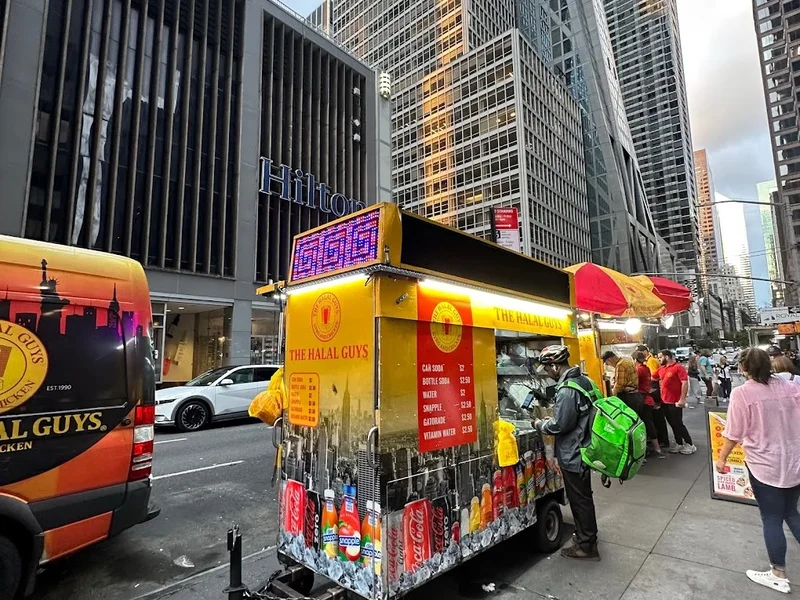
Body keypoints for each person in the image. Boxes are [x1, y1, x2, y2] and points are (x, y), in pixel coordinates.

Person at [715, 347, 800, 594]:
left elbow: (732, 434)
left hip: (765, 465)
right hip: (795, 461)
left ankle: (778, 573)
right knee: (790, 512)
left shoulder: (742, 394)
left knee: (771, 518)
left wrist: (721, 460)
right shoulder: (791, 388)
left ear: (743, 369)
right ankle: (778, 570)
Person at [534, 345, 600, 561]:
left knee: (579, 500)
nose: (548, 373)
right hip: (585, 448)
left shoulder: (567, 389)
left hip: (574, 453)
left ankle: (585, 546)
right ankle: (587, 537)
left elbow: (561, 424)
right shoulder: (585, 380)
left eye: (547, 368)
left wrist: (540, 424)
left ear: (555, 365)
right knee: (584, 497)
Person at [654, 349, 697, 454]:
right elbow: (651, 377)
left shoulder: (678, 368)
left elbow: (684, 383)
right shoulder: (662, 369)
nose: (659, 359)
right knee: (672, 423)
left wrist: (682, 399)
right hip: (665, 401)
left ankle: (689, 443)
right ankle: (679, 443)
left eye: (660, 357)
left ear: (667, 357)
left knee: (678, 423)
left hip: (675, 401)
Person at [635, 351, 665, 458]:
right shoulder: (646, 368)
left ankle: (652, 450)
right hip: (648, 399)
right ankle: (657, 448)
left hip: (642, 399)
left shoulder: (638, 370)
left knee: (645, 424)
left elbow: (634, 383)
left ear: (635, 360)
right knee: (650, 423)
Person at [601, 350, 643, 417]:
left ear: (609, 359)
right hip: (635, 395)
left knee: (629, 419)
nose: (609, 365)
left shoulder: (620, 365)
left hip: (629, 397)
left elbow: (619, 385)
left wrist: (612, 397)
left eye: (607, 363)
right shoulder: (625, 361)